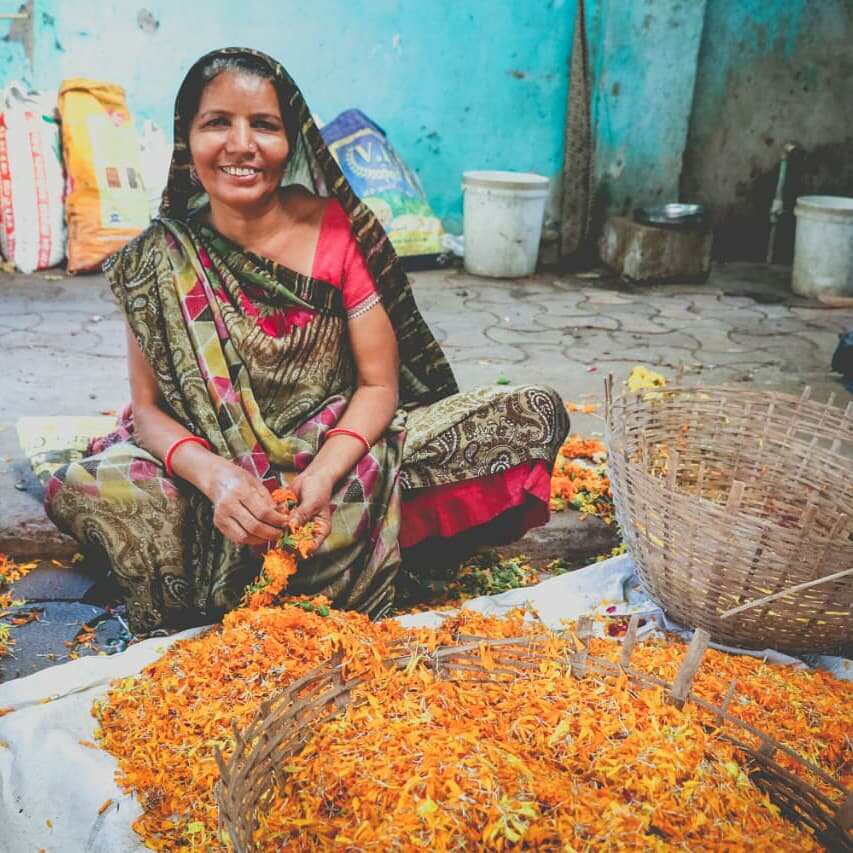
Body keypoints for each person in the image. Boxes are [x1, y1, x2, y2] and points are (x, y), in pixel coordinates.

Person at [45, 48, 569, 634]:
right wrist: (218, 479)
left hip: (345, 453)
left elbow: (378, 385)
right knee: (93, 486)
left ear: (291, 142)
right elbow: (147, 412)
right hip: (214, 475)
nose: (241, 145)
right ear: (186, 141)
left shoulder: (336, 228)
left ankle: (321, 545)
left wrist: (319, 479)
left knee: (527, 417)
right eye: (217, 122)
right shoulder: (158, 261)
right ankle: (338, 550)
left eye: (264, 125)